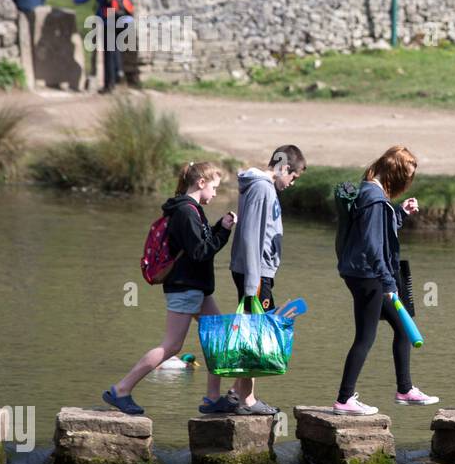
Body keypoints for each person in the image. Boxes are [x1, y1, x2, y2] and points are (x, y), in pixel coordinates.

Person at [104, 162, 235, 415]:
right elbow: (199, 253)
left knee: (220, 336)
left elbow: (200, 244)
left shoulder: (191, 210)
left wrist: (219, 227)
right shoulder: (186, 212)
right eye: (215, 188)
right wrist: (225, 233)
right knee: (173, 346)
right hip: (185, 287)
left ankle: (212, 398)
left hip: (197, 288)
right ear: (201, 183)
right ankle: (121, 389)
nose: (216, 193)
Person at [333, 145, 438, 414]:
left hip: (365, 273)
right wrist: (388, 282)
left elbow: (376, 232)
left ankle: (405, 390)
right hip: (369, 276)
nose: (406, 182)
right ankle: (344, 400)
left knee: (403, 327)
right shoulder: (374, 197)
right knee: (365, 337)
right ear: (393, 172)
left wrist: (400, 213)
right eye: (405, 175)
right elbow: (371, 244)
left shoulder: (371, 192)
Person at [216, 144, 308, 416]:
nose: (292, 183)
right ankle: (248, 400)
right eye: (293, 177)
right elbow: (251, 236)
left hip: (256, 272)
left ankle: (236, 392)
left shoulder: (261, 187)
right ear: (284, 168)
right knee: (256, 333)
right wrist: (252, 285)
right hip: (254, 274)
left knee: (255, 329)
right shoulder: (262, 188)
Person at [73, 0, 138, 92]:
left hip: (109, 15)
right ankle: (119, 74)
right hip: (125, 15)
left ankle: (110, 85)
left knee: (109, 50)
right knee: (117, 47)